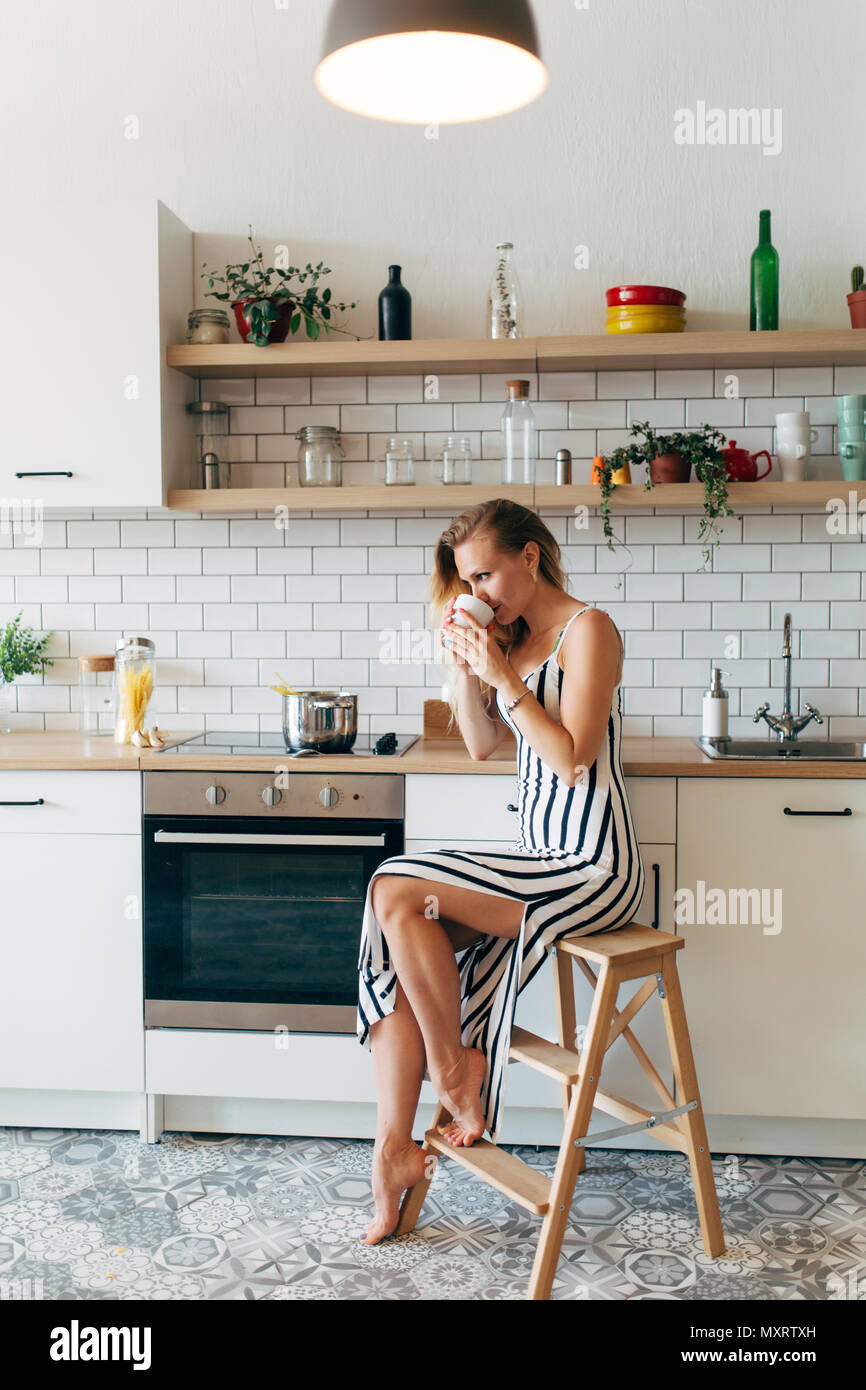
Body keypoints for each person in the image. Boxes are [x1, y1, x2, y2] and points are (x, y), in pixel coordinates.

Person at [356, 498, 645, 1245]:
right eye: (466, 581)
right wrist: (465, 669)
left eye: (485, 574)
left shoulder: (591, 631)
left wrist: (499, 673)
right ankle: (394, 1148)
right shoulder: (510, 644)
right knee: (394, 909)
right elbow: (484, 745)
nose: (478, 592)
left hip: (591, 863)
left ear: (529, 557)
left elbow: (572, 757)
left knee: (396, 884)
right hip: (534, 855)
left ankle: (456, 1075)